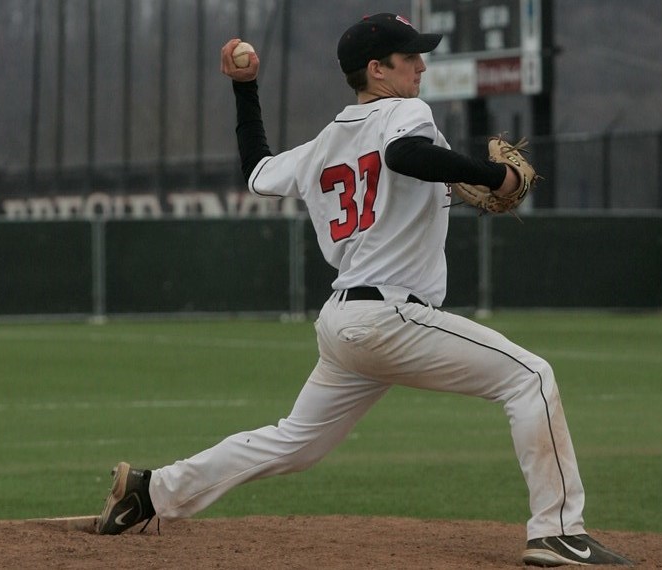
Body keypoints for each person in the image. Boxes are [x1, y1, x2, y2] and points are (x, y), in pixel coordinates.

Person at [96, 13, 632, 567]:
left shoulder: (326, 143)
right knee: (530, 378)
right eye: (410, 57)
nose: (422, 65)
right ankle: (557, 533)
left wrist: (245, 88)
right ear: (378, 70)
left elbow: (257, 168)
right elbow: (403, 155)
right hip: (391, 317)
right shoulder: (405, 113)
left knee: (294, 443)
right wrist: (495, 177)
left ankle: (151, 490)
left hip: (344, 324)